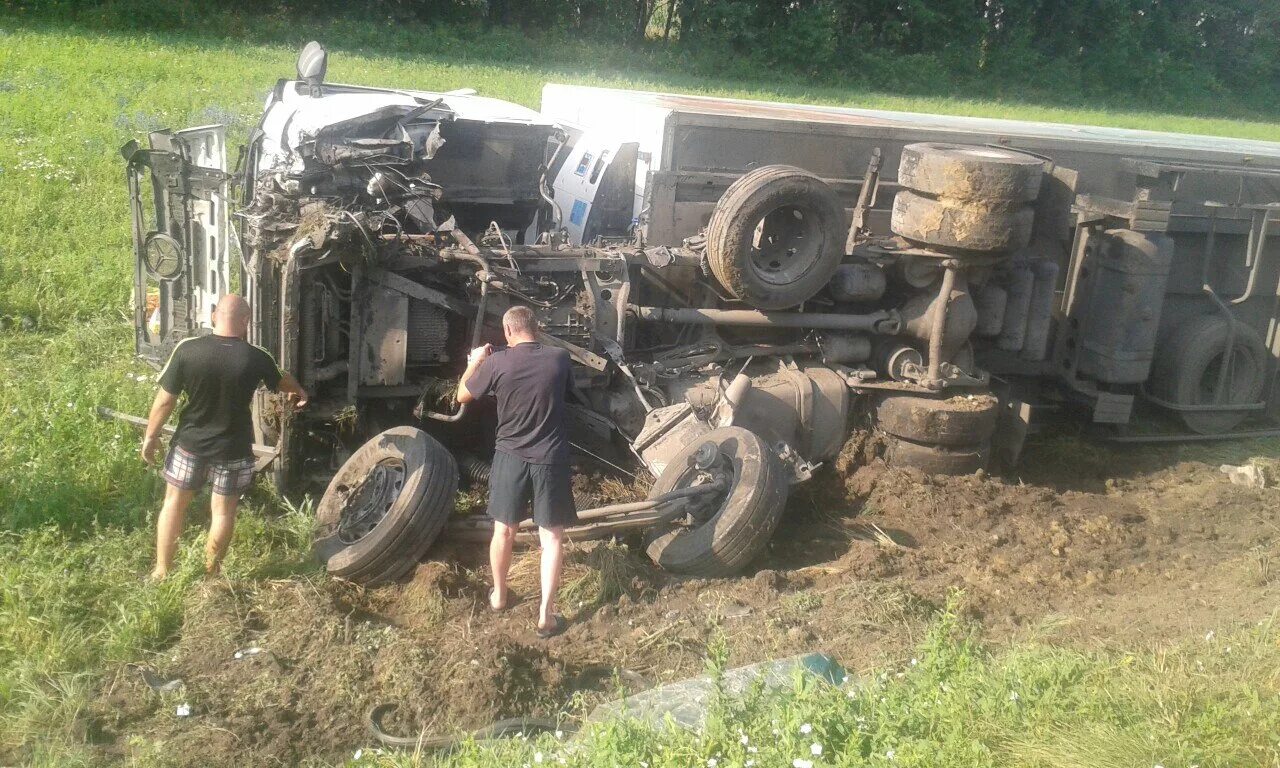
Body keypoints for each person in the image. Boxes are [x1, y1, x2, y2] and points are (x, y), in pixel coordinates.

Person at [141, 295, 308, 580]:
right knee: (222, 512)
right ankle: (211, 574)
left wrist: (151, 436)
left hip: (190, 445)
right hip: (233, 447)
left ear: (215, 315)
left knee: (174, 504)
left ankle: (162, 570)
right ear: (245, 322)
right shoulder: (256, 357)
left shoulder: (187, 350)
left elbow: (165, 401)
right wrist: (300, 392)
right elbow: (282, 379)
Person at [458, 305, 576, 638]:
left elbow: (462, 395)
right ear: (535, 328)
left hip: (509, 457)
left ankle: (498, 596)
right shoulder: (559, 358)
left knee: (504, 531)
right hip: (550, 457)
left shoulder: (496, 362)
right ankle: (546, 616)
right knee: (551, 538)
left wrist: (474, 362)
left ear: (508, 331)